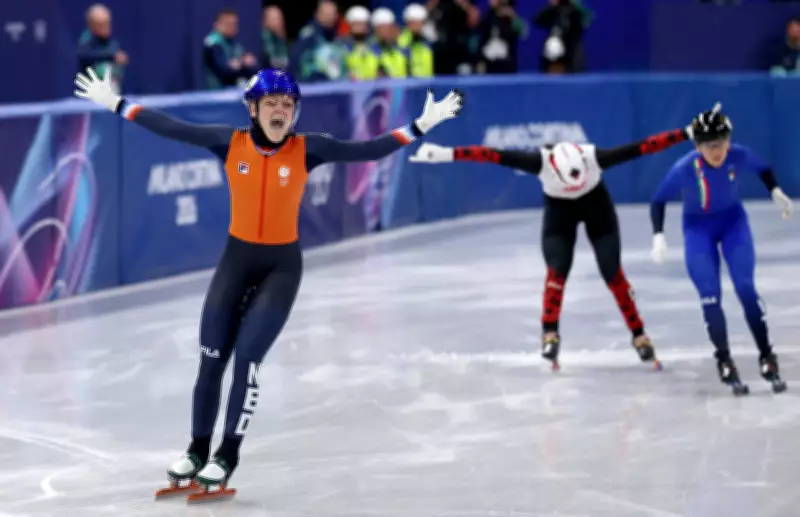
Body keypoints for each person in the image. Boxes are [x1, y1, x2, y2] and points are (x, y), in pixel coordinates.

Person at [73, 66, 464, 500]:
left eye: (287, 104)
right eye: (271, 104)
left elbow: (369, 150)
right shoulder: (230, 142)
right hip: (235, 263)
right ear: (253, 109)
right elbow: (172, 127)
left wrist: (422, 124)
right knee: (210, 360)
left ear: (295, 112)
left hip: (280, 269)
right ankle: (197, 449)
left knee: (247, 361)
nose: (280, 111)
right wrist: (117, 104)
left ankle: (226, 456)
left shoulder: (308, 149)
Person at [408, 120, 700, 370]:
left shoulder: (592, 157)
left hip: (597, 208)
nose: (574, 184)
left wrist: (687, 132)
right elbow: (489, 154)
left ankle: (639, 334)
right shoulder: (540, 162)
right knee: (556, 271)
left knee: (613, 272)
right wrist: (445, 154)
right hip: (560, 213)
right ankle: (550, 333)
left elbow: (644, 147)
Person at [649, 106, 793, 395]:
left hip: (733, 225)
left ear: (729, 139)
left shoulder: (738, 155)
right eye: (709, 145)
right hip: (698, 231)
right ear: (697, 146)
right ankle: (724, 360)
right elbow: (658, 200)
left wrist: (774, 190)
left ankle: (767, 355)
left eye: (722, 142)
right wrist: (658, 235)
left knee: (745, 289)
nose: (718, 151)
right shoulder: (684, 168)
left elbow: (764, 169)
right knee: (710, 297)